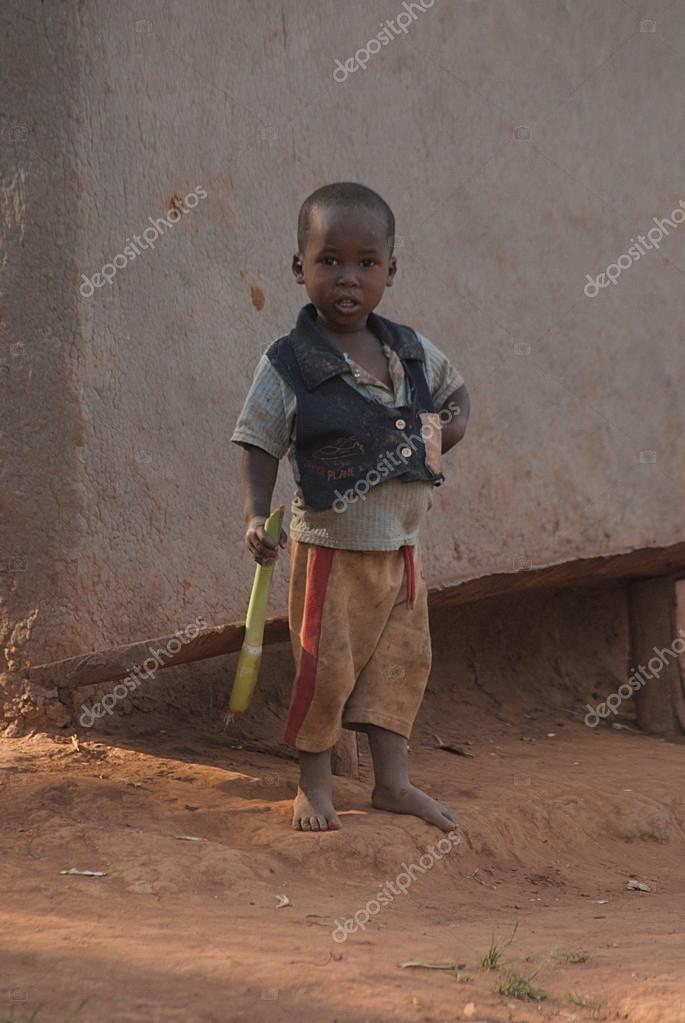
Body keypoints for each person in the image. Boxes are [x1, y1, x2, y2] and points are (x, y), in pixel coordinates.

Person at [231, 182, 470, 832]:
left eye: (366, 262)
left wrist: (438, 432)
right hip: (332, 551)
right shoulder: (289, 363)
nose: (347, 276)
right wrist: (256, 514)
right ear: (298, 267)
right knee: (324, 665)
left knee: (399, 666)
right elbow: (259, 440)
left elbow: (456, 400)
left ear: (390, 270)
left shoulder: (413, 351)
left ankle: (392, 784)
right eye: (329, 260)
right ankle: (314, 782)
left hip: (402, 550)